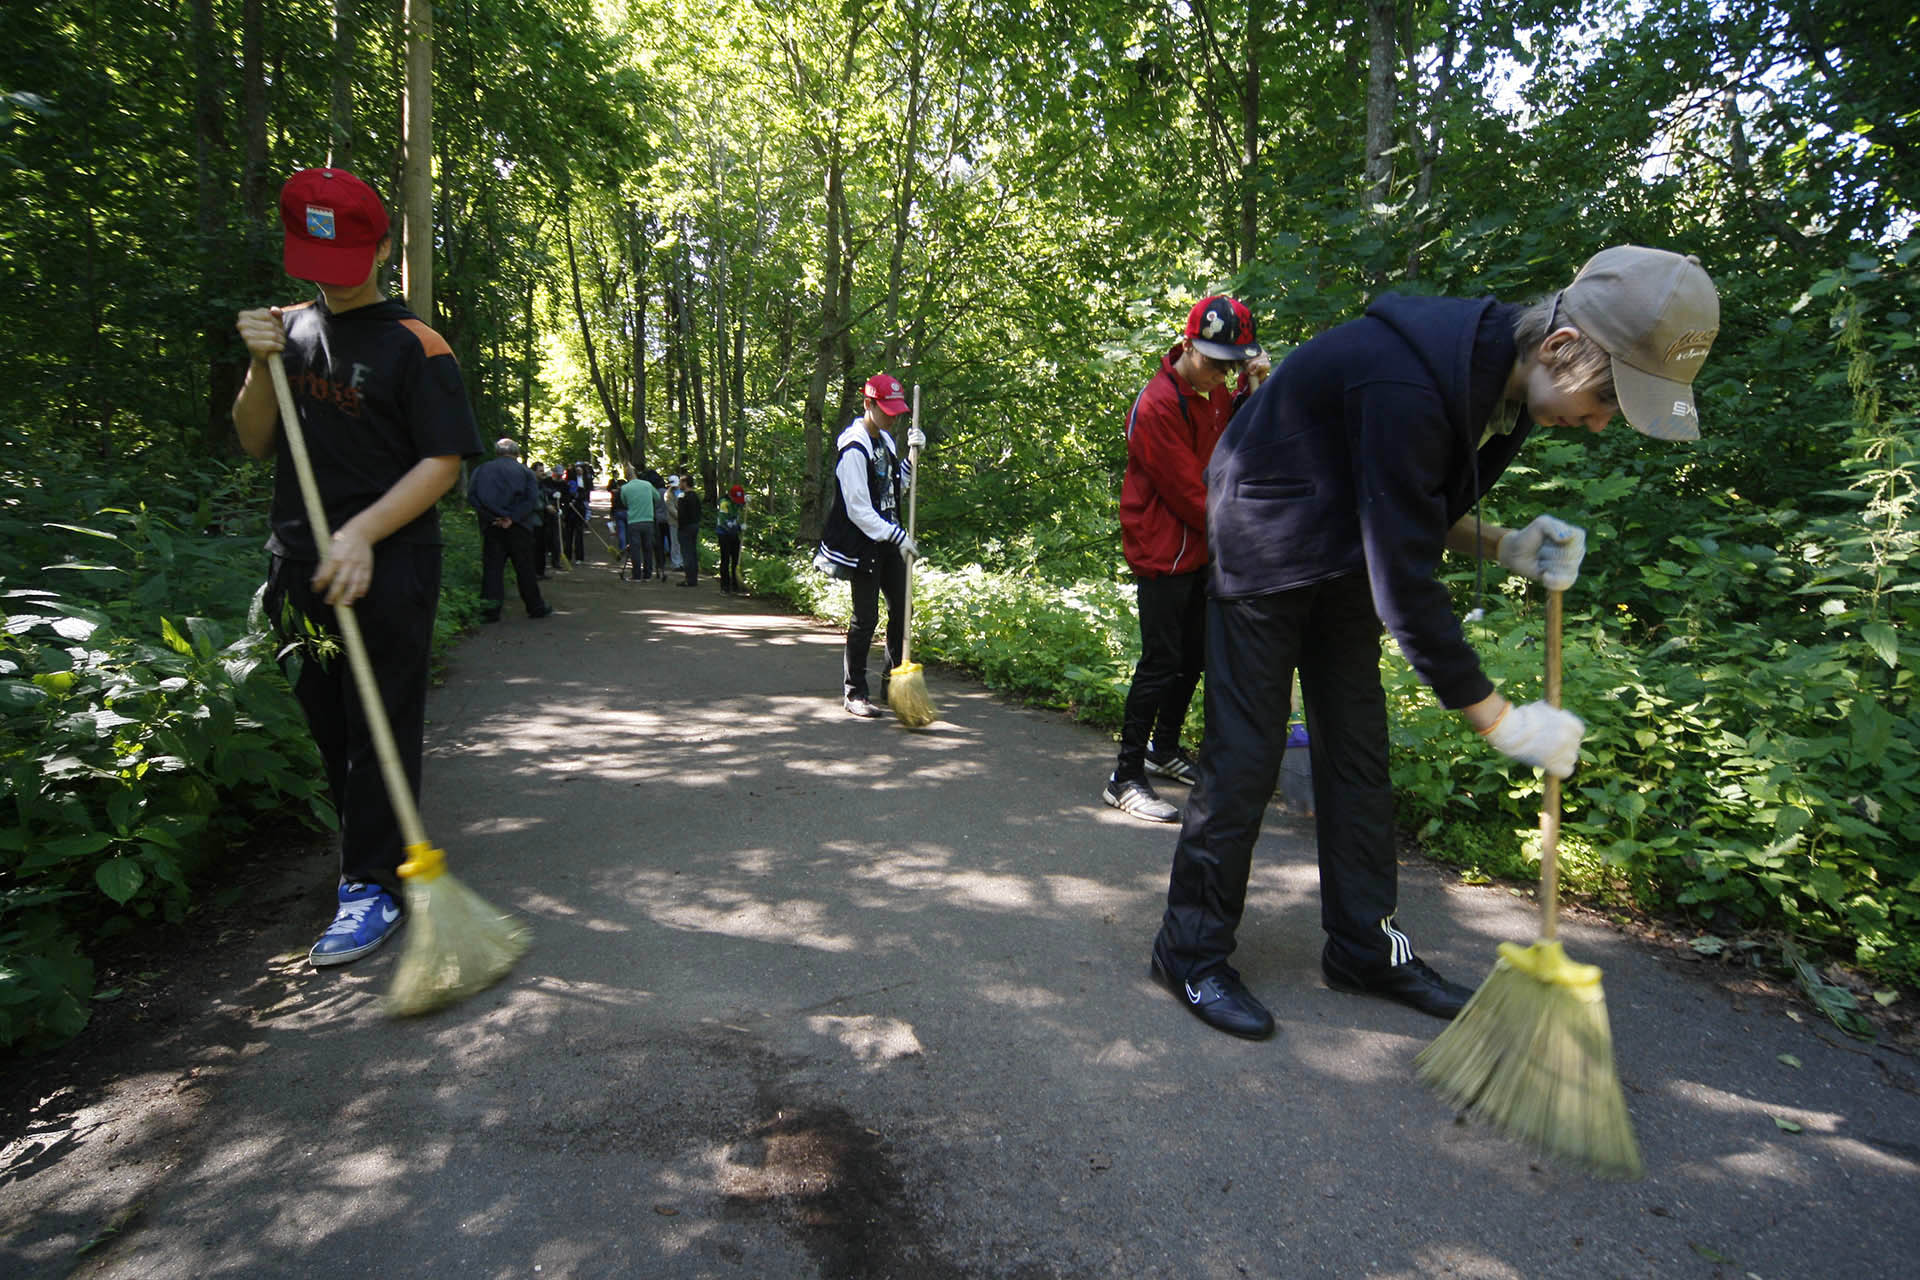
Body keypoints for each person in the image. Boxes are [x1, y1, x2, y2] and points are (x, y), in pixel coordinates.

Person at [1150, 245, 1720, 1038]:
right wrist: (1500, 719)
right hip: (1267, 537)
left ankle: (1362, 948)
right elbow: (1405, 581)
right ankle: (1190, 951)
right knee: (1245, 758)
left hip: (1343, 544)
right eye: (1605, 401)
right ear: (1560, 347)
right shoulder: (1410, 379)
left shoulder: (1504, 390)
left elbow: (1402, 504)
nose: (1597, 424)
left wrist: (1504, 544)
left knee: (1357, 755)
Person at [231, 166, 482, 968]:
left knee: (380, 724)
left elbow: (443, 462)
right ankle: (373, 848)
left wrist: (363, 533)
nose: (329, 282)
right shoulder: (288, 329)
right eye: (315, 260)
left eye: (346, 263)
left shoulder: (417, 347)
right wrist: (256, 365)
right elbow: (253, 438)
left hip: (389, 562)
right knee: (331, 724)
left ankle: (370, 882)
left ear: (381, 248)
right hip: (298, 561)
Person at [1104, 297, 1270, 825]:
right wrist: (1256, 537)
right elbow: (1191, 495)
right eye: (1216, 361)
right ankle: (1125, 776)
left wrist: (1251, 388)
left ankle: (1163, 747)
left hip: (1201, 549)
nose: (1222, 373)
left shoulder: (1216, 390)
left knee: (1194, 656)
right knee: (1161, 660)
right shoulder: (1157, 405)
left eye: (1231, 364)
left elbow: (1234, 442)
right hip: (1162, 549)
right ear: (1188, 343)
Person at [814, 373, 927, 717]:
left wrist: (911, 454)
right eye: (887, 411)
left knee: (902, 612)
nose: (893, 418)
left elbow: (896, 489)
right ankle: (855, 693)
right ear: (868, 404)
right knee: (865, 617)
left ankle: (894, 685)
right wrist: (899, 537)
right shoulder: (853, 448)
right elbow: (860, 510)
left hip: (888, 538)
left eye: (897, 412)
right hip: (862, 543)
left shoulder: (887, 443)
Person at [467, 437, 553, 621]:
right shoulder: (525, 472)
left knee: (492, 568)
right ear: (517, 453)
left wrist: (493, 517)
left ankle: (490, 610)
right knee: (525, 568)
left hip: (493, 526)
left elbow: (473, 497)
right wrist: (512, 518)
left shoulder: (482, 470)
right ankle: (535, 607)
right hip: (520, 526)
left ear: (496, 452)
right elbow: (531, 500)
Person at [620, 470, 660, 581]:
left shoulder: (625, 488)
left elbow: (624, 502)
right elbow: (657, 497)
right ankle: (648, 574)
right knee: (648, 548)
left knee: (635, 549)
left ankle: (636, 575)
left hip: (633, 521)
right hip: (648, 520)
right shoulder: (647, 485)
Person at [534, 462, 567, 572]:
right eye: (557, 474)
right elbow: (542, 493)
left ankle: (556, 560)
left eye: (561, 475)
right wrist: (551, 497)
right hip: (543, 515)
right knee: (545, 539)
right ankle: (541, 565)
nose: (559, 476)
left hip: (556, 513)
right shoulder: (544, 482)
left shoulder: (564, 484)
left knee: (557, 537)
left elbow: (567, 497)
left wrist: (563, 508)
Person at [716, 483, 746, 594]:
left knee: (736, 559)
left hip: (734, 534)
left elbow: (742, 506)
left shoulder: (738, 503)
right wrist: (739, 527)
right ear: (731, 496)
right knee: (725, 559)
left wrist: (747, 501)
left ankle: (735, 584)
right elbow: (725, 523)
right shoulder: (724, 504)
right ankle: (724, 586)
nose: (738, 501)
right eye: (736, 499)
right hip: (724, 534)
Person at [675, 476, 703, 586]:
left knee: (686, 553)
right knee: (692, 552)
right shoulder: (696, 496)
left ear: (685, 483)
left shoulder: (683, 496)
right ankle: (694, 578)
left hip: (685, 527)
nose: (679, 485)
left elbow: (681, 514)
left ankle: (689, 579)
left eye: (681, 482)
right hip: (694, 525)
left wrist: (680, 526)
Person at [561, 463, 588, 565]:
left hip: (579, 512)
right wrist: (569, 501)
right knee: (568, 535)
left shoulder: (582, 485)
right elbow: (564, 496)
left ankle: (579, 557)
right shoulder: (567, 484)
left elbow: (583, 496)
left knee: (578, 535)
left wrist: (576, 500)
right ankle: (567, 556)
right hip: (569, 513)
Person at [662, 474, 684, 571]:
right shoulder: (667, 494)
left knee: (683, 543)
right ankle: (676, 563)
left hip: (684, 522)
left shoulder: (682, 492)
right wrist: (681, 517)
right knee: (675, 543)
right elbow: (671, 509)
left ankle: (683, 563)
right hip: (674, 522)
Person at [609, 471, 630, 560]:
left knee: (621, 531)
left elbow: (613, 504)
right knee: (628, 531)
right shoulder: (628, 493)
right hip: (627, 512)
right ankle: (629, 547)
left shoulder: (616, 493)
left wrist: (612, 515)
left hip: (618, 512)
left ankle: (622, 548)